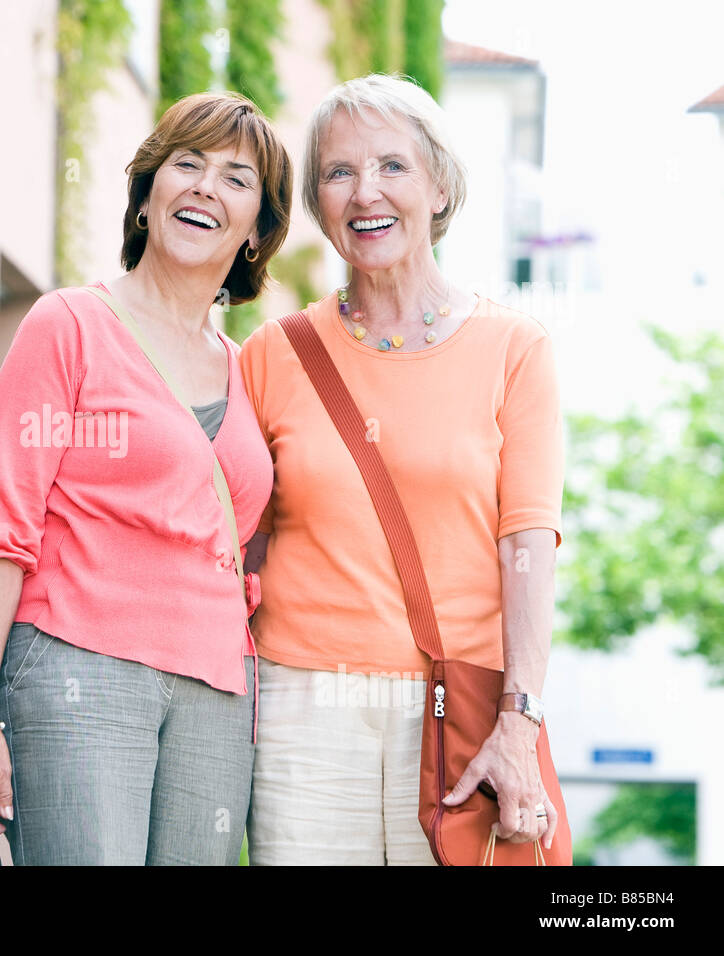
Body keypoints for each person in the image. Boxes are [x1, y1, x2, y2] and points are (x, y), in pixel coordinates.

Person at [0, 92, 292, 865]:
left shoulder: (249, 370)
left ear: (257, 231)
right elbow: (3, 522)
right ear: (148, 195)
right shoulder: (69, 324)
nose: (205, 186)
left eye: (236, 179)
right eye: (187, 164)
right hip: (77, 667)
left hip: (217, 693)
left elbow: (254, 542)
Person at [239, 74, 564, 865]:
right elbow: (231, 548)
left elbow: (527, 547)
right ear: (318, 201)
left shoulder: (513, 351)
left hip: (461, 716)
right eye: (338, 172)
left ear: (440, 186)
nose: (365, 193)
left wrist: (518, 720)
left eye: (392, 166)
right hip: (300, 715)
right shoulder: (272, 356)